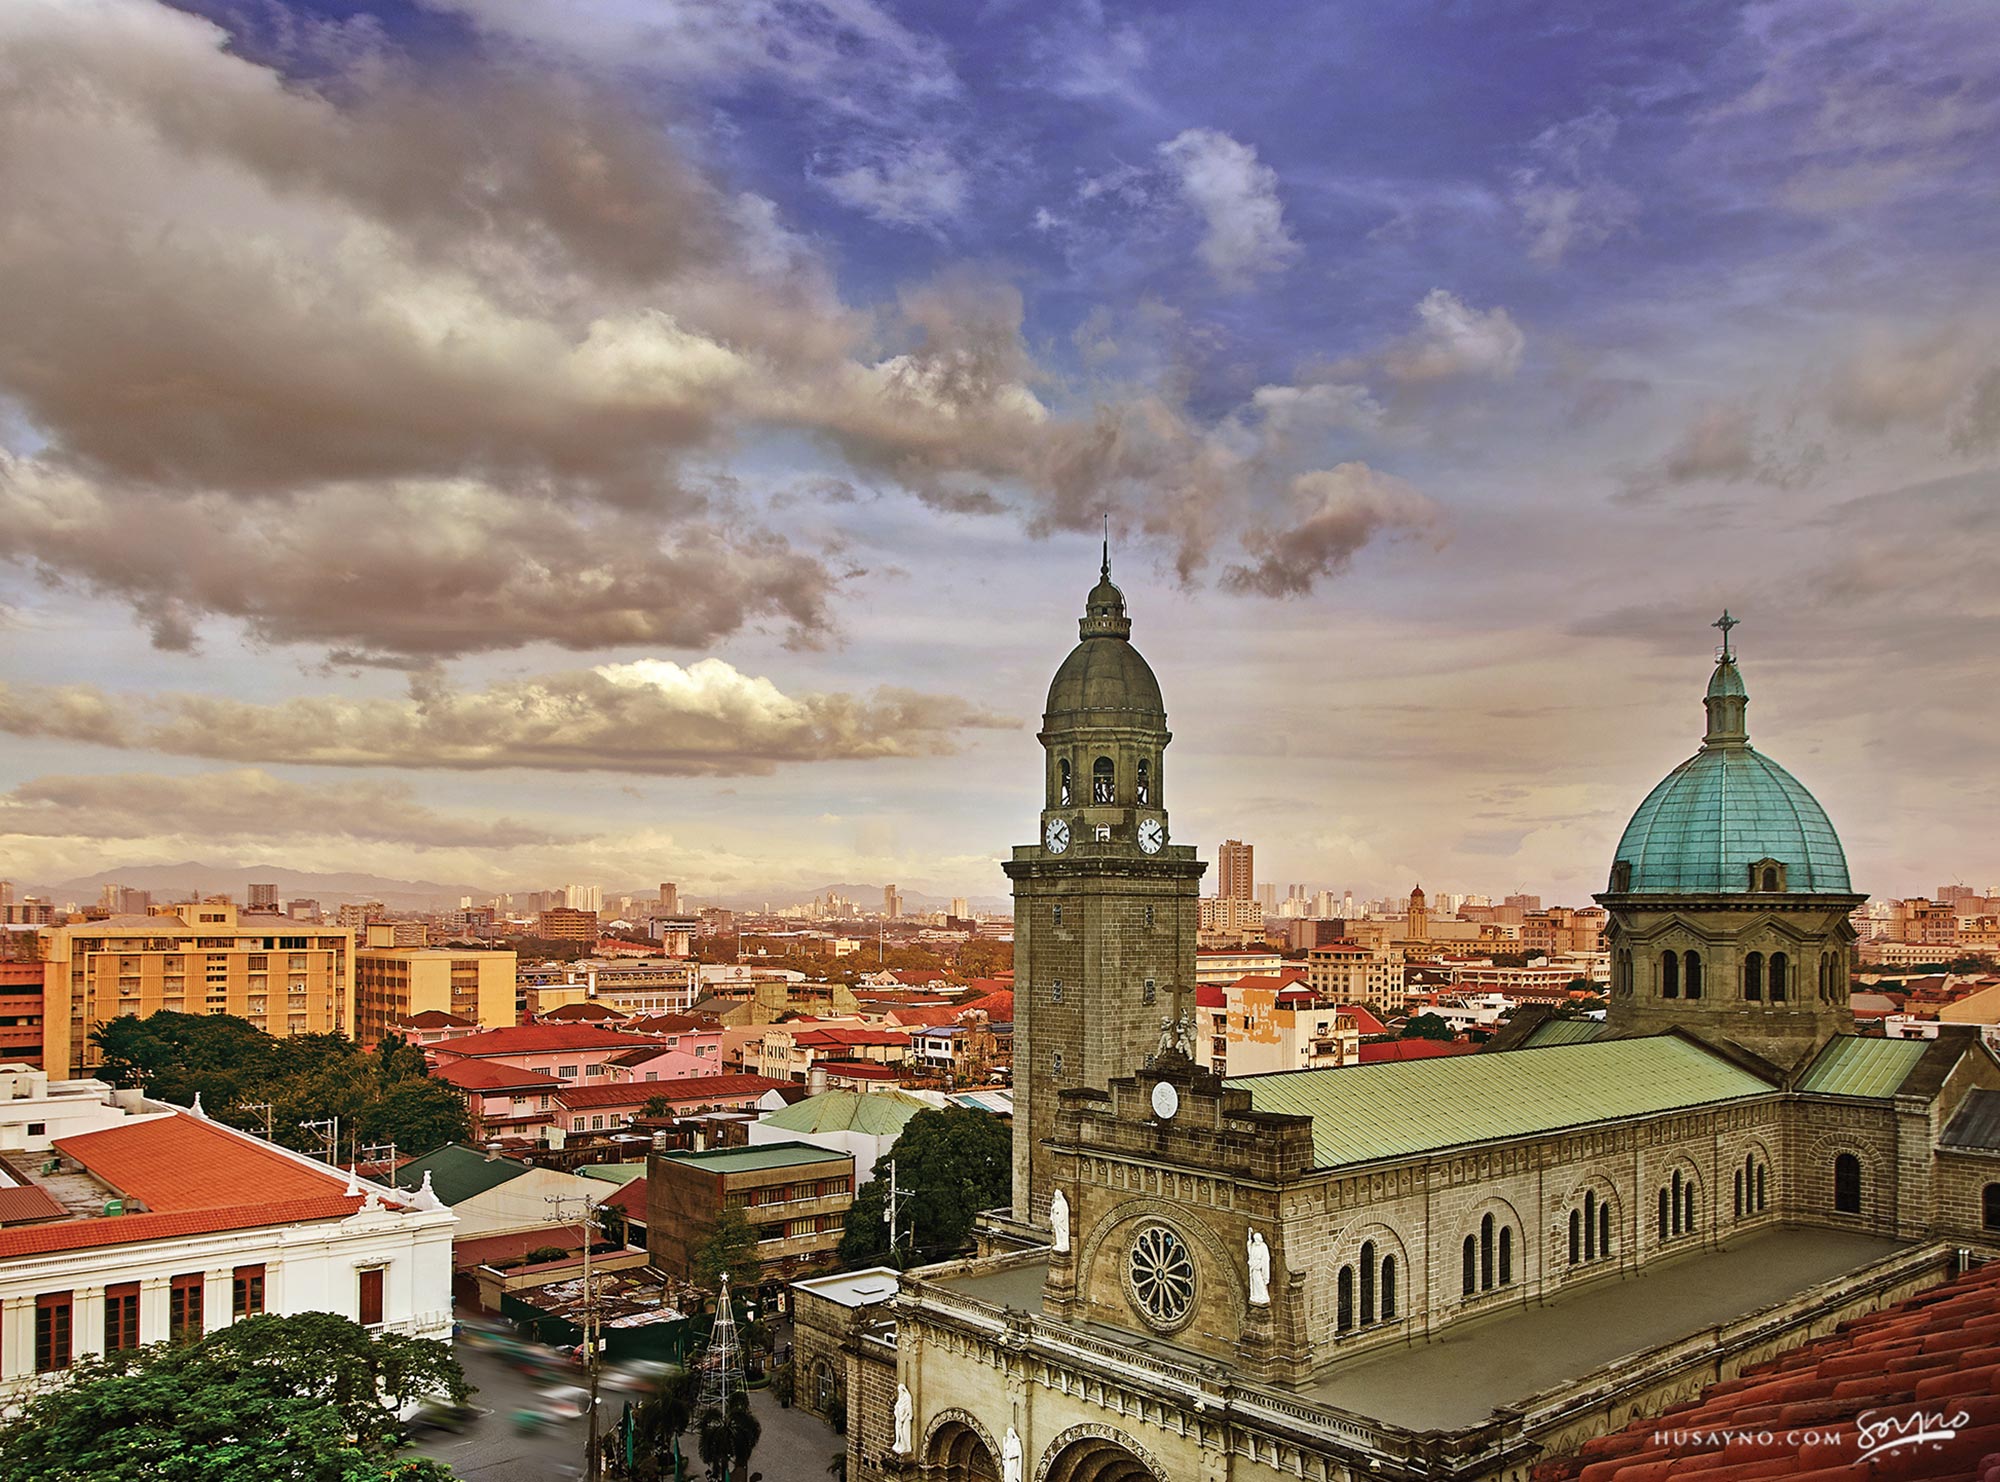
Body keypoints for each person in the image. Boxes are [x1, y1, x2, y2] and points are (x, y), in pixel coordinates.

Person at [1247, 1228, 1271, 1306]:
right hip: (1254, 1265)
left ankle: (1262, 1295)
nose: (1256, 1241)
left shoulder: (1263, 1247)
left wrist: (1261, 1265)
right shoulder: (1254, 1245)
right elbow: (1250, 1252)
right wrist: (1249, 1243)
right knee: (1255, 1281)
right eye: (1255, 1239)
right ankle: (1256, 1295)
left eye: (1257, 1239)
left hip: (1259, 1266)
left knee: (1260, 1281)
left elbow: (1265, 1259)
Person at [893, 1382, 913, 1454]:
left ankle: (904, 1445)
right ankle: (898, 1442)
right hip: (899, 1418)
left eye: (900, 1391)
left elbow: (908, 1411)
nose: (899, 1393)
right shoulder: (901, 1398)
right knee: (898, 1430)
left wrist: (902, 1419)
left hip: (904, 1419)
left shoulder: (907, 1398)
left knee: (903, 1432)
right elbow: (896, 1407)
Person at [1049, 1187, 1071, 1253]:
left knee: (1061, 1231)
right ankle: (1060, 1243)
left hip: (1060, 1219)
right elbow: (1053, 1210)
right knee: (1057, 1231)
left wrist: (1061, 1220)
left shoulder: (1062, 1203)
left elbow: (1063, 1212)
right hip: (1056, 1218)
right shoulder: (1056, 1202)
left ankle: (1063, 1244)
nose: (1056, 1197)